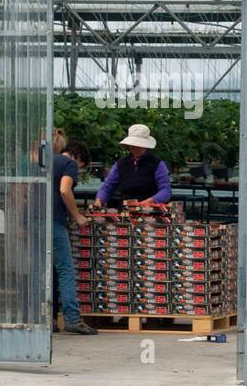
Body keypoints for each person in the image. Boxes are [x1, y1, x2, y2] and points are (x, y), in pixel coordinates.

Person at [53, 138, 99, 336]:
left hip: (35, 221)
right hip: (54, 221)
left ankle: (49, 318)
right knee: (65, 270)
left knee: (46, 272)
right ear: (78, 157)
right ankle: (72, 319)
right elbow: (64, 189)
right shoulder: (69, 164)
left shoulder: (44, 161)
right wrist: (78, 216)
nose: (79, 171)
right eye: (82, 167)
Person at [93, 124, 172, 208]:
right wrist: (99, 199)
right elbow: (107, 187)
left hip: (150, 210)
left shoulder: (157, 164)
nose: (135, 148)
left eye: (138, 145)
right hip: (124, 210)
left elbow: (166, 190)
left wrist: (152, 200)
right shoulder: (121, 163)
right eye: (133, 145)